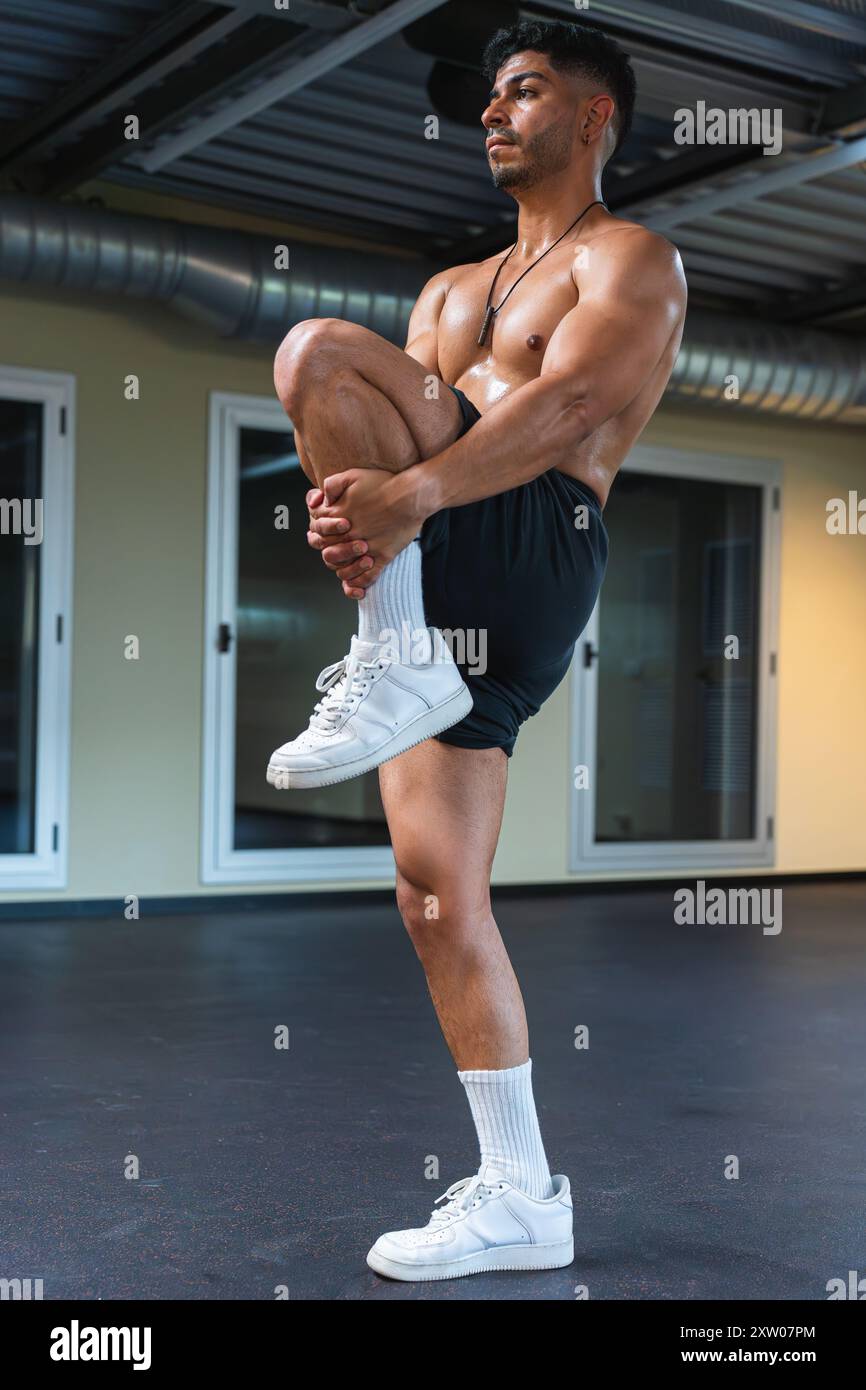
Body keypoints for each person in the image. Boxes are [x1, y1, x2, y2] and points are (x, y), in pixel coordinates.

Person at [268, 16, 687, 1281]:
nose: (492, 116)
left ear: (593, 115)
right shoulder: (449, 290)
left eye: (521, 92)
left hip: (540, 541)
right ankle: (522, 1197)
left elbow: (565, 407)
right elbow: (377, 448)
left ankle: (390, 653)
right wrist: (354, 516)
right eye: (489, 100)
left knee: (313, 349)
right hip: (429, 585)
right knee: (435, 892)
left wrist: (412, 500)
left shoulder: (631, 259)